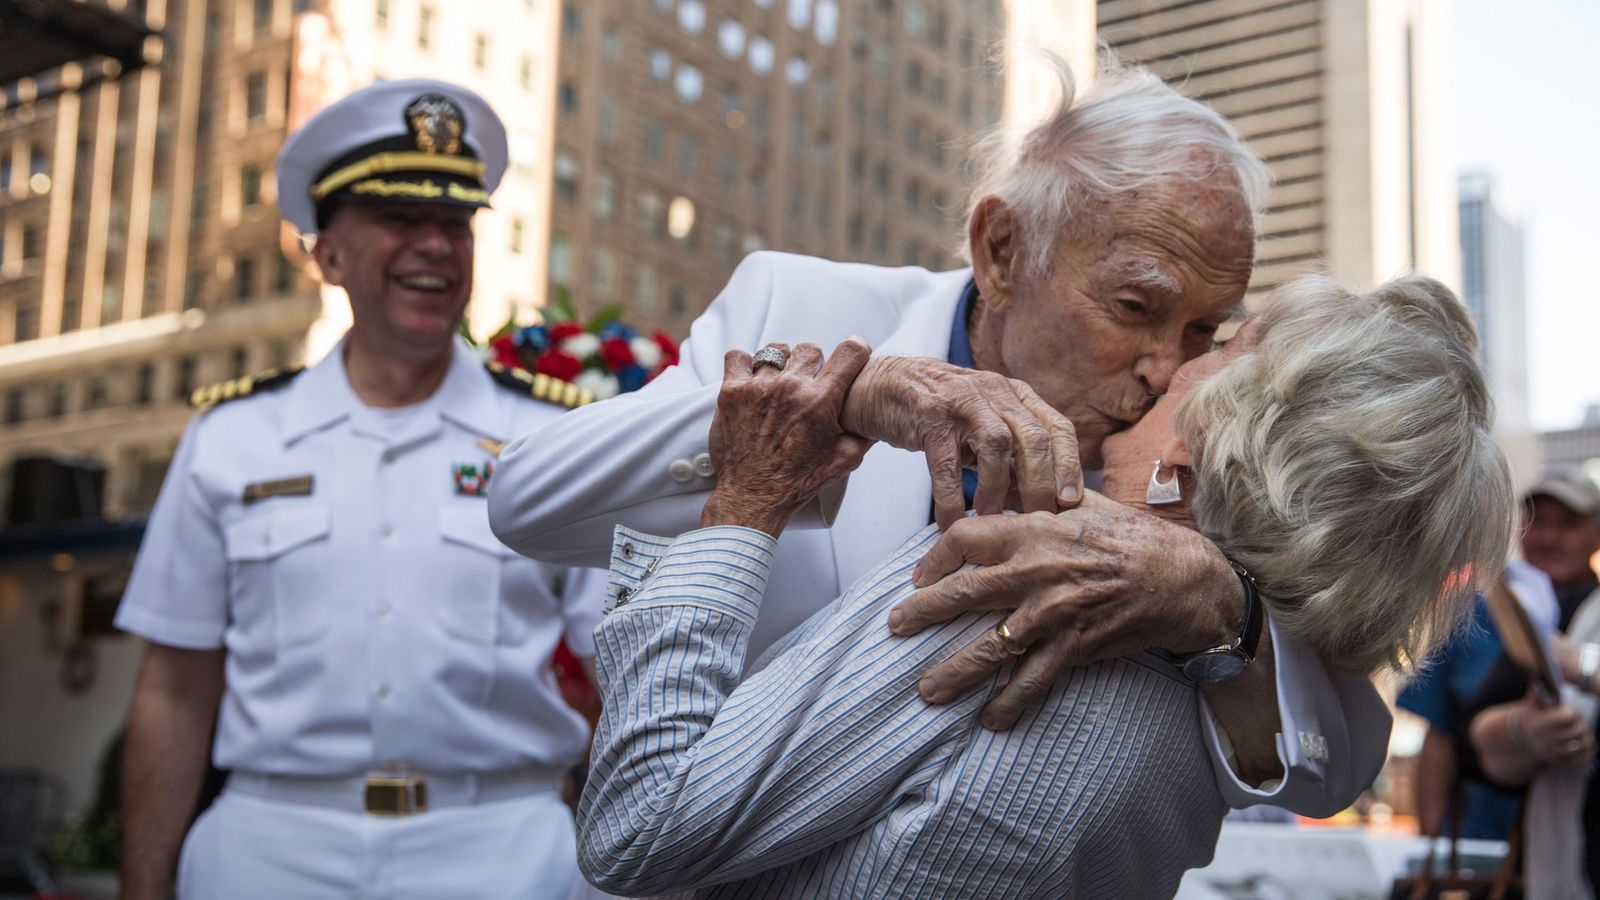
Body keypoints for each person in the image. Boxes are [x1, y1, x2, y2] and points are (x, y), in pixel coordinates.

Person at [491, 58, 1387, 813]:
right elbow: (527, 501)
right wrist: (832, 404)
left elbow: (1332, 768)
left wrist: (1227, 617)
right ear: (1000, 250)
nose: (1167, 368)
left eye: (1205, 330)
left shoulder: (1186, 452)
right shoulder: (805, 307)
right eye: (1132, 307)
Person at [577, 274, 1512, 898]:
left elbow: (640, 824)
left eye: (1216, 345)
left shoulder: (1033, 588)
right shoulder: (1236, 676)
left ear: (1211, 440)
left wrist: (745, 499)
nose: (1164, 366)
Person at [115, 80, 606, 899]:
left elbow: (633, 659)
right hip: (267, 853)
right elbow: (174, 684)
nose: (436, 247)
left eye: (455, 223)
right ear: (327, 254)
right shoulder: (232, 439)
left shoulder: (553, 435)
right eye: (401, 220)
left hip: (503, 852)